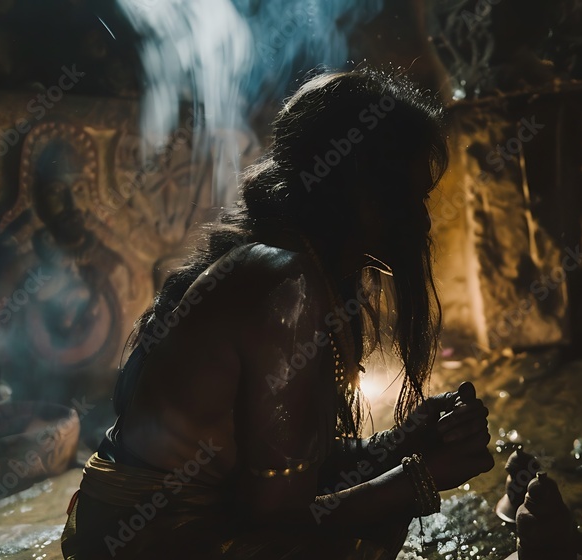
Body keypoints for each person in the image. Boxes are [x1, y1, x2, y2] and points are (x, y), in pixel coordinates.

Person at [61, 68, 494, 559]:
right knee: (357, 535)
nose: (420, 220)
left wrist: (404, 438)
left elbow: (291, 464)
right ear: (358, 191)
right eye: (409, 196)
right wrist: (422, 477)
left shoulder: (294, 265)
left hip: (162, 518)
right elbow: (279, 514)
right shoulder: (286, 281)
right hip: (147, 539)